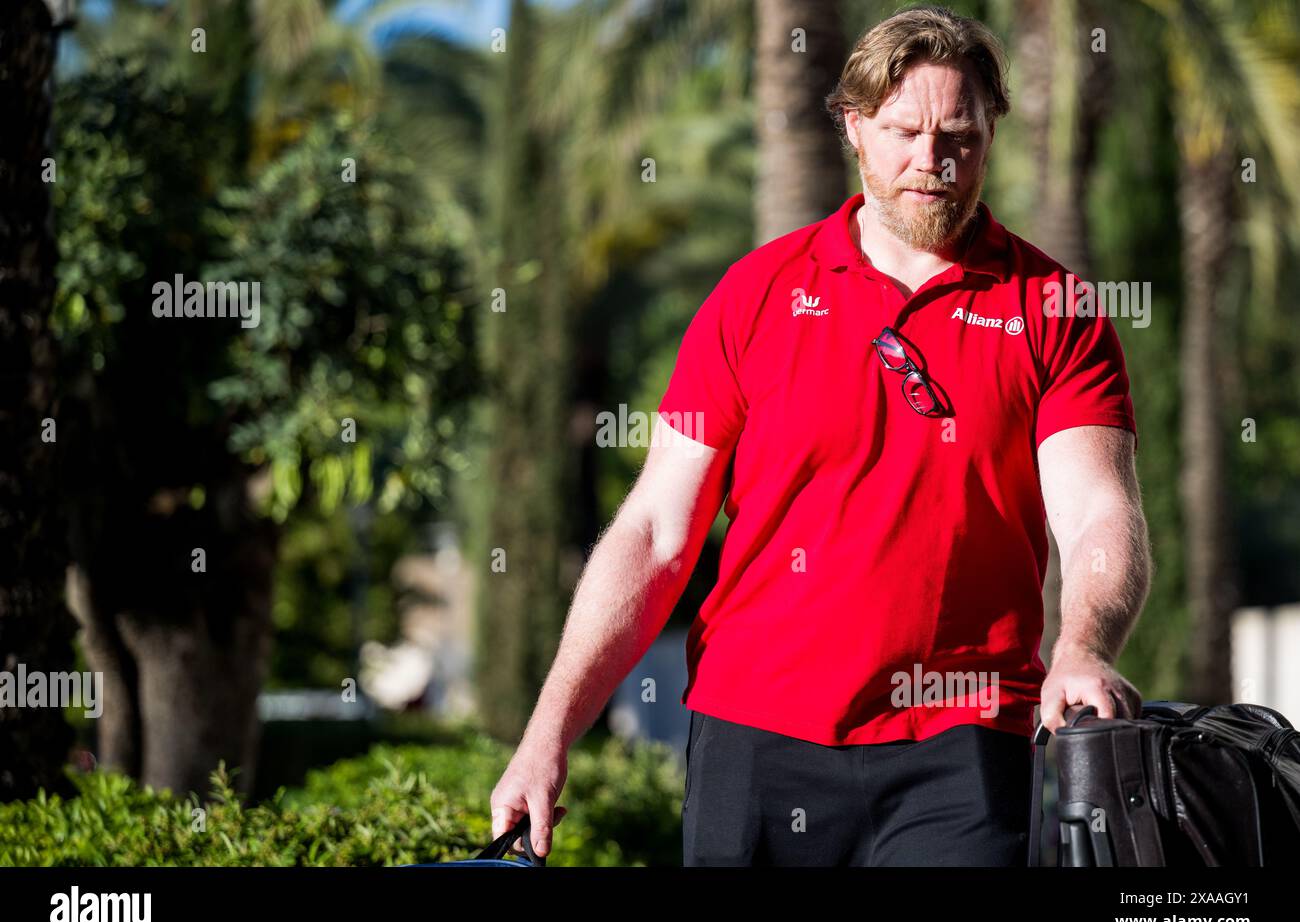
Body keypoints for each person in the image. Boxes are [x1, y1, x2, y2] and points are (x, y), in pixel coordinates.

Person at [489, 4, 1151, 865]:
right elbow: (654, 532)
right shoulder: (754, 295)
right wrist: (549, 732)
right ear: (852, 126)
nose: (932, 161)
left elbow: (1100, 513)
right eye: (903, 130)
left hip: (962, 742)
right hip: (753, 737)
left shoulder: (1054, 309)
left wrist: (1083, 647)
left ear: (993, 130)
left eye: (960, 133)